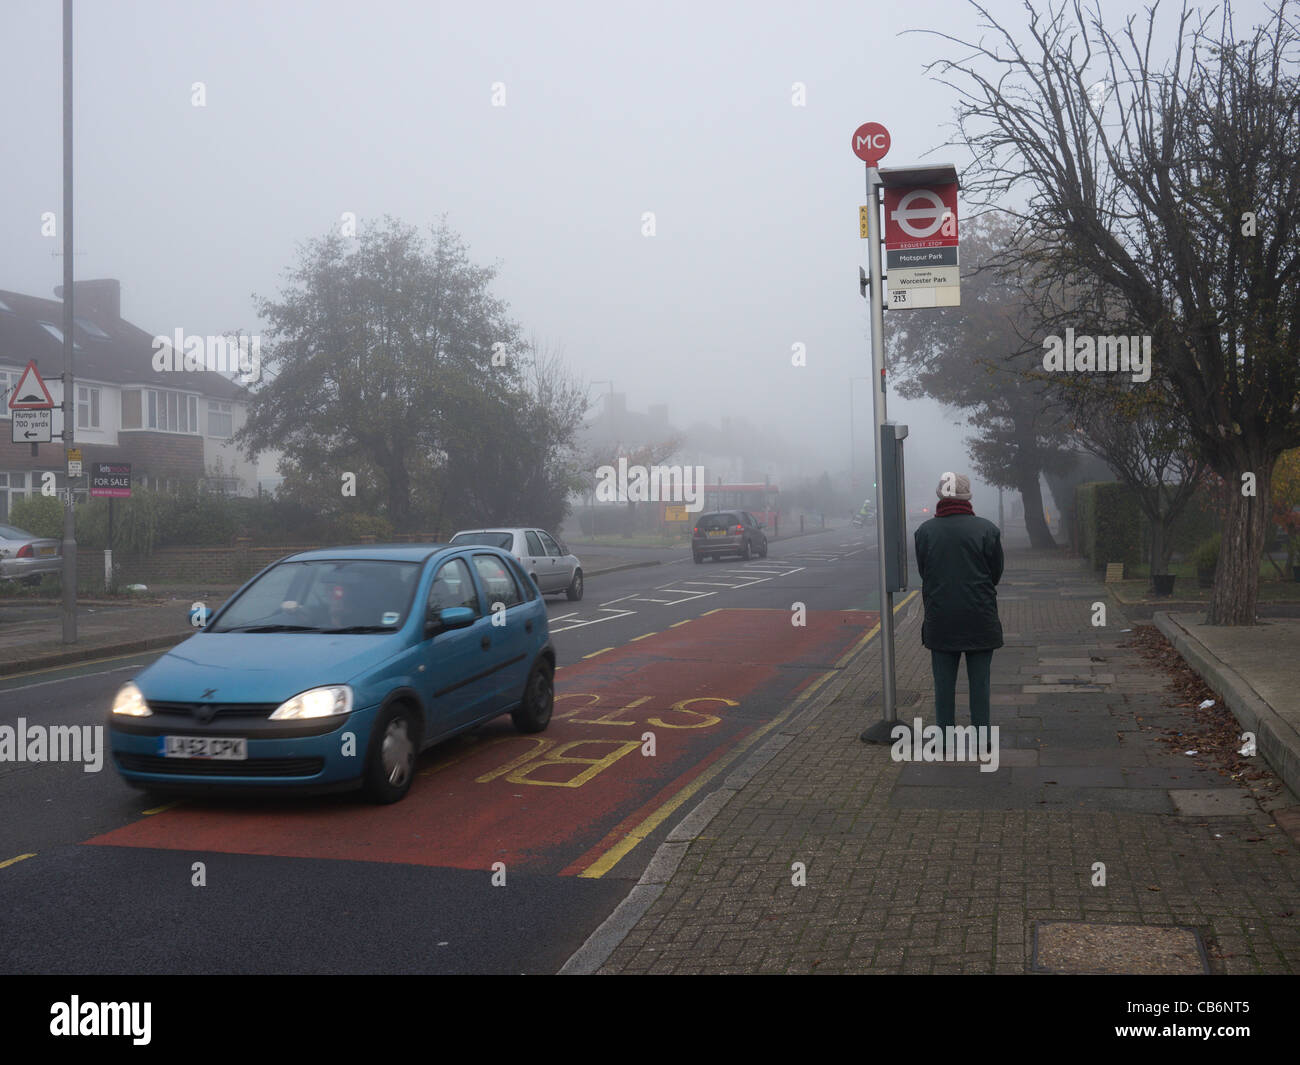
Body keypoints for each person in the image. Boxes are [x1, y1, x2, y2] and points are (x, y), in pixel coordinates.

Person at [913, 472, 1004, 751]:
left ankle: (944, 738)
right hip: (979, 617)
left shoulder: (924, 532)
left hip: (941, 619)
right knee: (980, 683)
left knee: (943, 684)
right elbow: (995, 574)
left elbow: (924, 572)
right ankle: (982, 738)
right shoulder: (988, 530)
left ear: (941, 496)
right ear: (968, 496)